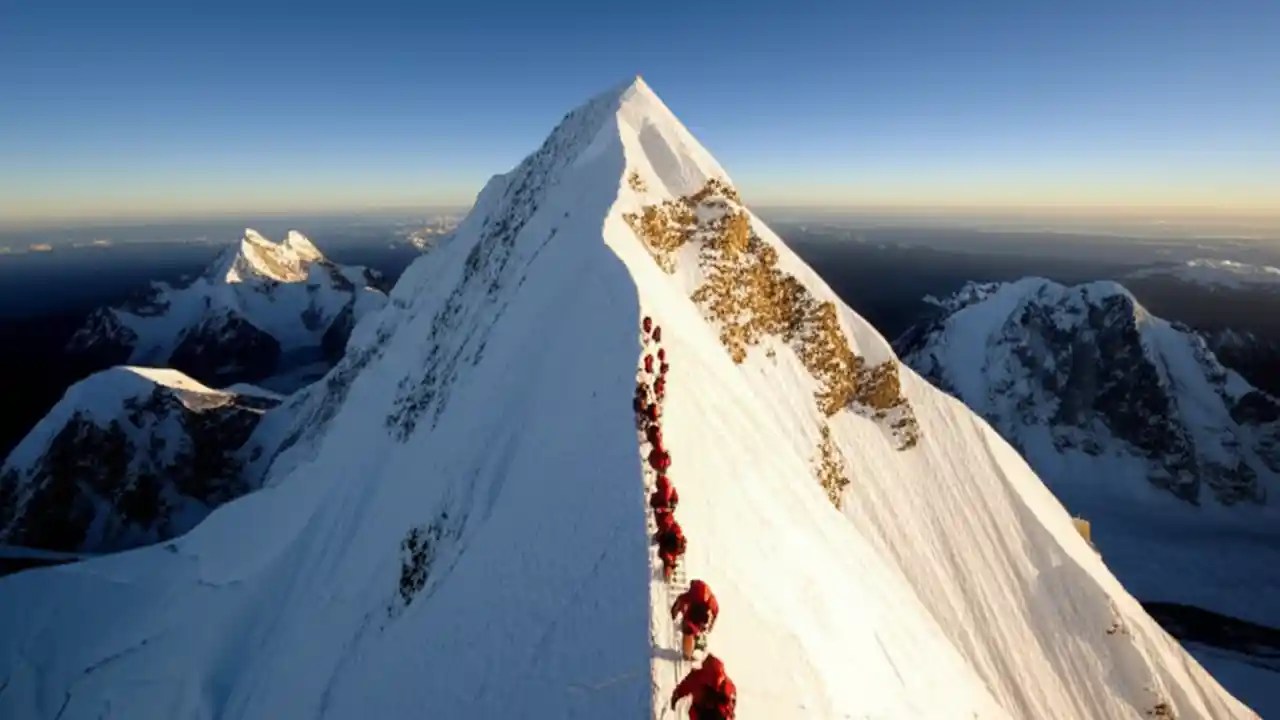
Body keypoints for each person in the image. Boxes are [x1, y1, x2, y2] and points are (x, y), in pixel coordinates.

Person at [671, 654, 736, 719]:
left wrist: (676, 696)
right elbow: (731, 703)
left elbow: (685, 686)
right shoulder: (728, 684)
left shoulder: (697, 677)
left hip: (700, 713)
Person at [671, 580, 719, 660]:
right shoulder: (711, 600)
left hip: (693, 618)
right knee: (690, 630)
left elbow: (679, 602)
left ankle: (688, 653)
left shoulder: (691, 596)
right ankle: (693, 646)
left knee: (688, 630)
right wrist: (711, 625)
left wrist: (674, 613)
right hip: (700, 619)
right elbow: (715, 612)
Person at [654, 513, 686, 581]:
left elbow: (667, 556)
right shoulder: (672, 529)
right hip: (672, 543)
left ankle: (668, 572)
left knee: (667, 557)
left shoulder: (669, 529)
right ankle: (668, 571)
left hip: (672, 544)